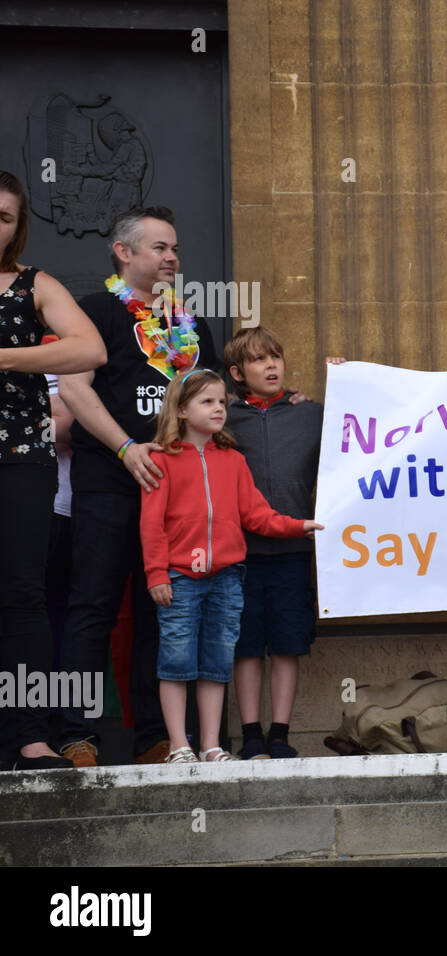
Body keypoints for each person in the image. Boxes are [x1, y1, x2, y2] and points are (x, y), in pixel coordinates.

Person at [56, 205, 220, 766]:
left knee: (163, 610)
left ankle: (159, 736)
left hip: (174, 496)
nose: (173, 257)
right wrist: (127, 449)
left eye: (175, 248)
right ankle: (77, 734)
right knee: (92, 607)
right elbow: (75, 388)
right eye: (159, 248)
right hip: (109, 481)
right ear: (122, 253)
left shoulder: (191, 323)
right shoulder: (95, 310)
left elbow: (215, 400)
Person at [140, 369, 322, 763]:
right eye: (207, 402)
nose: (219, 408)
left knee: (217, 661)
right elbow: (151, 524)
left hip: (227, 578)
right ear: (182, 410)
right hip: (178, 577)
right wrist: (156, 573)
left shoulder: (234, 461)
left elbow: (258, 516)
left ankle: (210, 746)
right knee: (176, 660)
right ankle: (178, 745)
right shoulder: (161, 460)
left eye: (222, 401)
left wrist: (298, 526)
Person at [0, 170, 106, 770]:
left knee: (22, 594)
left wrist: (4, 358)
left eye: (5, 216)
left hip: (19, 456)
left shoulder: (33, 284)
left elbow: (88, 349)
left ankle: (30, 737)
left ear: (17, 228)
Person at [224, 328, 342, 759]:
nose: (271, 365)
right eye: (258, 360)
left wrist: (348, 385)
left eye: (276, 356)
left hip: (294, 550)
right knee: (247, 645)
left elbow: (363, 431)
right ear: (238, 373)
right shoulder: (225, 420)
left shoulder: (309, 413)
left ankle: (280, 734)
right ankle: (250, 733)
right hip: (239, 554)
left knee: (289, 643)